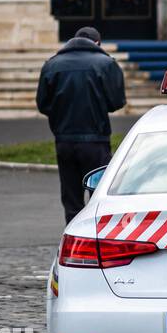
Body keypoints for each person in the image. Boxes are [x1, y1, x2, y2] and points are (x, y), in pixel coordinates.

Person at [36, 27, 127, 223]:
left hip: (64, 140)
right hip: (96, 139)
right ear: (97, 43)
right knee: (99, 197)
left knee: (71, 200)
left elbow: (43, 104)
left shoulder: (52, 65)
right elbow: (116, 102)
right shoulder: (106, 64)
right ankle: (97, 240)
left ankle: (74, 241)